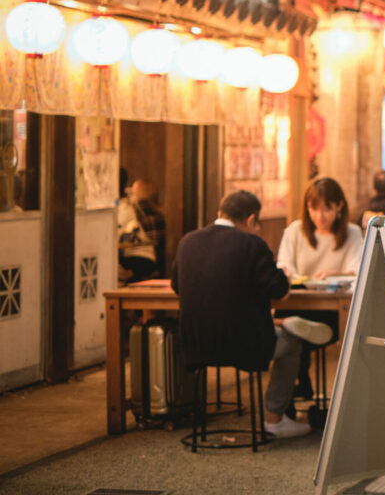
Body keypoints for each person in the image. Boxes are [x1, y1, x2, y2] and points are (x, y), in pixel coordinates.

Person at [172, 190, 332, 438]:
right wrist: (284, 277)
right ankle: (275, 419)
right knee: (291, 343)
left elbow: (175, 286)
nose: (256, 229)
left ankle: (282, 323)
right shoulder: (252, 245)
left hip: (194, 344)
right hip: (245, 344)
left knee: (270, 329)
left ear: (219, 214)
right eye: (256, 225)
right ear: (250, 219)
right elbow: (279, 290)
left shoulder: (187, 242)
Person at [276, 177, 363, 403]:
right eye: (314, 209)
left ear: (339, 206)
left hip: (332, 307)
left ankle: (301, 384)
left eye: (327, 209)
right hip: (299, 300)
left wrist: (332, 274)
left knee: (293, 330)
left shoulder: (352, 233)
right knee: (290, 324)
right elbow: (284, 265)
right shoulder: (295, 231)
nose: (320, 216)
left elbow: (357, 269)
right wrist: (289, 274)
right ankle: (298, 331)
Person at [119, 179, 166, 283]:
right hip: (160, 263)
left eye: (133, 191)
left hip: (142, 259)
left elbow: (127, 236)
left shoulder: (138, 210)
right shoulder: (160, 212)